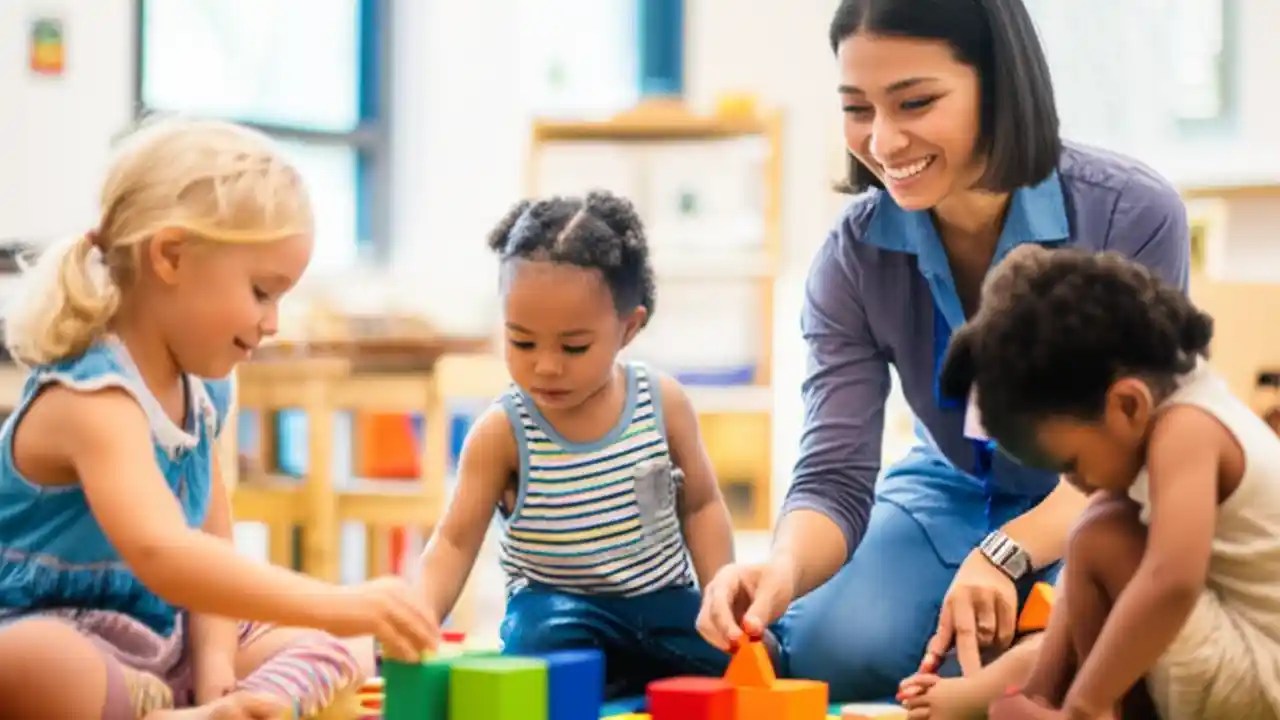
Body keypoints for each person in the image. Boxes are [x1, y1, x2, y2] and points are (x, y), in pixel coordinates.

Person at [695, 0, 1191, 703]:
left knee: (1107, 660)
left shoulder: (1130, 213)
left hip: (1104, 496)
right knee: (828, 650)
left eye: (916, 102)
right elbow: (835, 475)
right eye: (857, 108)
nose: (885, 141)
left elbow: (1137, 452)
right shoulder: (853, 256)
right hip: (949, 485)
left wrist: (1008, 552)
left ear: (999, 82)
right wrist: (780, 569)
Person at [0, 117, 436, 719]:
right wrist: (338, 599)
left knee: (345, 644)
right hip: (50, 633)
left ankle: (232, 709)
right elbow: (165, 554)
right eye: (262, 292)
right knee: (31, 664)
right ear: (172, 257)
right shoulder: (92, 400)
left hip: (162, 639)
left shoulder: (206, 391)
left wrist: (217, 671)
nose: (273, 321)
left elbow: (212, 547)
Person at [920, 245, 1280, 719]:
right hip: (1228, 654)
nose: (1075, 481)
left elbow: (1172, 581)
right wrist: (1042, 697)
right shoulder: (1164, 413)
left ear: (1128, 405)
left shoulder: (1188, 429)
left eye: (1071, 462)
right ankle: (1058, 697)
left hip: (1260, 675)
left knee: (1101, 531)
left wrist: (1083, 706)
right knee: (1097, 525)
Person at [417, 190, 736, 698]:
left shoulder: (663, 403)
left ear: (629, 328)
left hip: (660, 601)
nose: (545, 365)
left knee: (750, 658)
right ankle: (608, 677)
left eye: (573, 347)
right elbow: (455, 541)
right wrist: (418, 617)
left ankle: (623, 675)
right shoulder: (503, 432)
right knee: (537, 646)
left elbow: (700, 505)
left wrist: (722, 592)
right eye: (521, 341)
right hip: (557, 608)